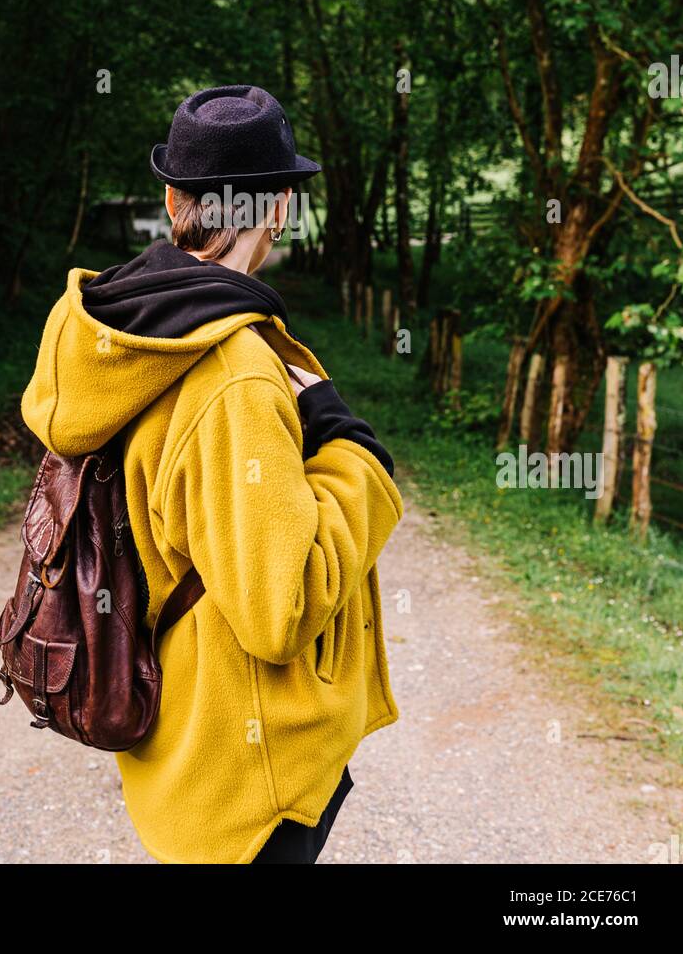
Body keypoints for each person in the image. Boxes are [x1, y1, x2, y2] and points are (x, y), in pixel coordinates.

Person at [21, 84, 403, 863]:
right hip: (249, 786)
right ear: (277, 210)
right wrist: (352, 452)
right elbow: (281, 611)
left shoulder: (120, 331)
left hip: (183, 751)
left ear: (173, 199)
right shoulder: (233, 370)